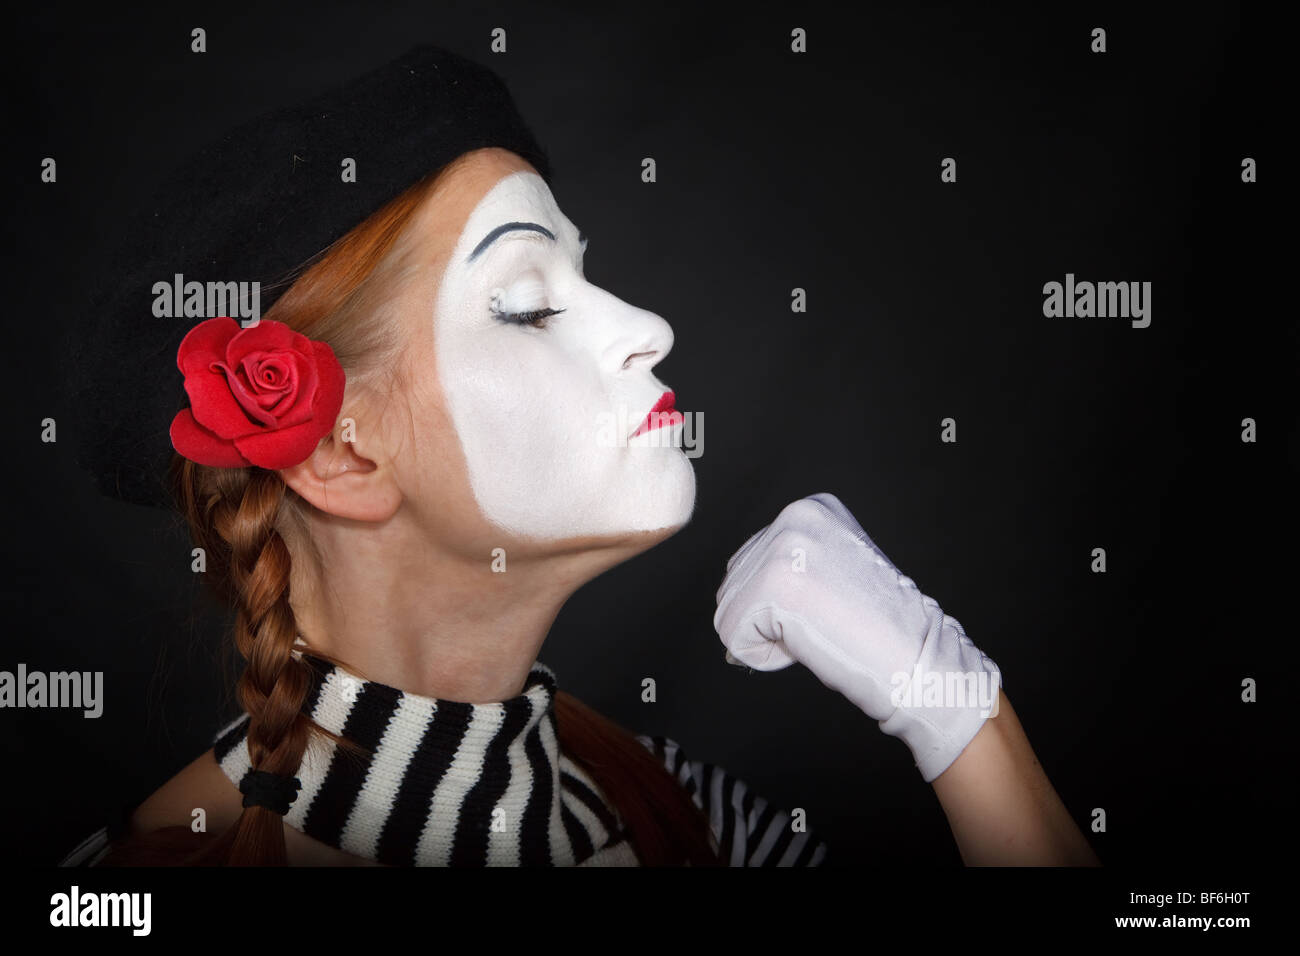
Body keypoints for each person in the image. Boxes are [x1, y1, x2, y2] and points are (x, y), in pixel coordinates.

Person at [58, 47, 1097, 868]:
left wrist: (957, 712)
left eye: (584, 274)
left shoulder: (679, 812)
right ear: (339, 453)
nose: (647, 324)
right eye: (527, 303)